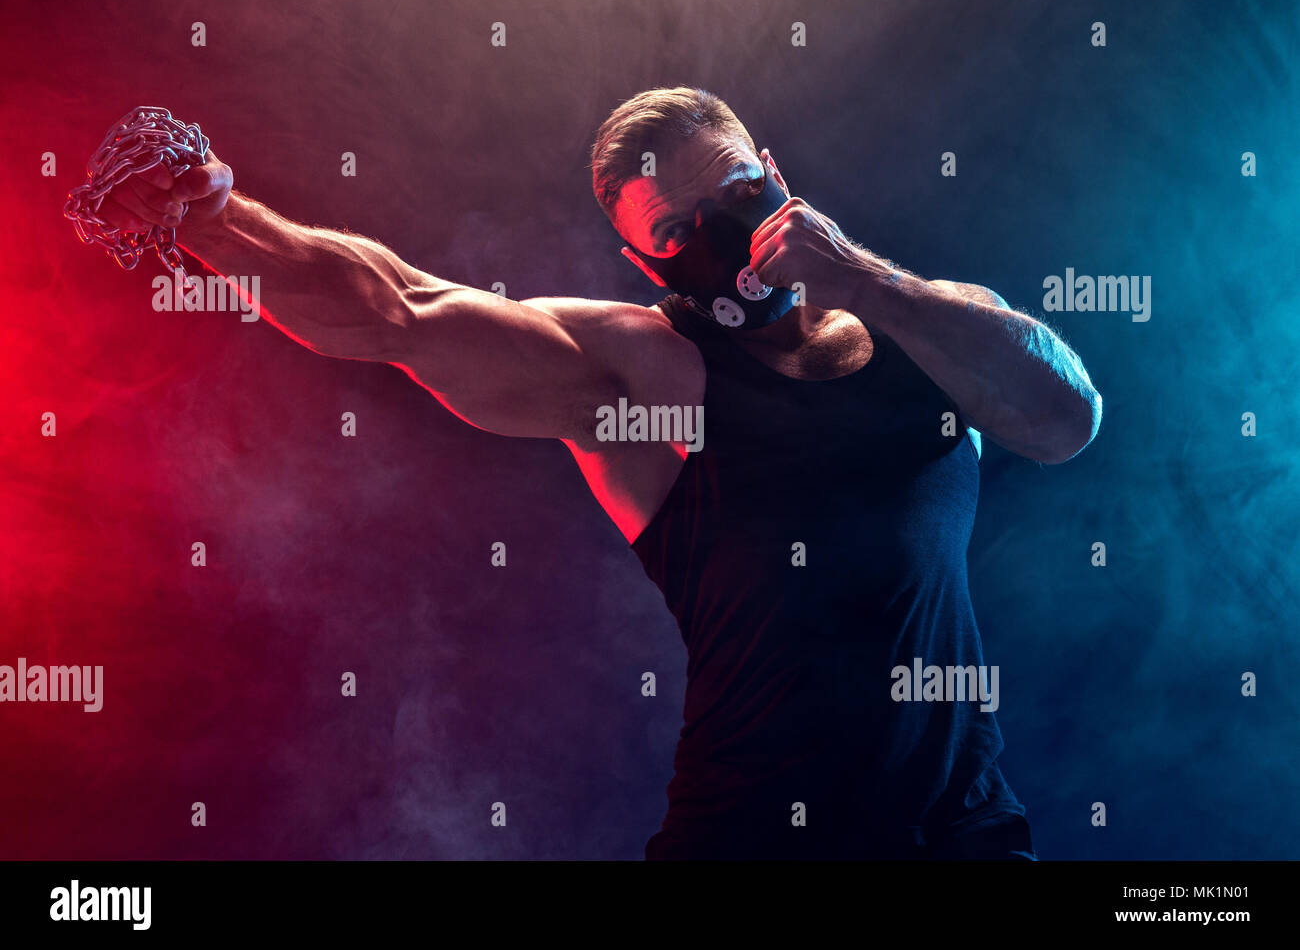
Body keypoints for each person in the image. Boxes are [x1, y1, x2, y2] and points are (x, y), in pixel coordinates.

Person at [93, 86, 1101, 860]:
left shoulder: (922, 325)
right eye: (677, 233)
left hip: (960, 833)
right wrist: (213, 217)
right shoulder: (639, 373)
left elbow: (1063, 419)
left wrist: (860, 277)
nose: (720, 236)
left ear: (775, 170)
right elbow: (397, 308)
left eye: (737, 196)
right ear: (643, 264)